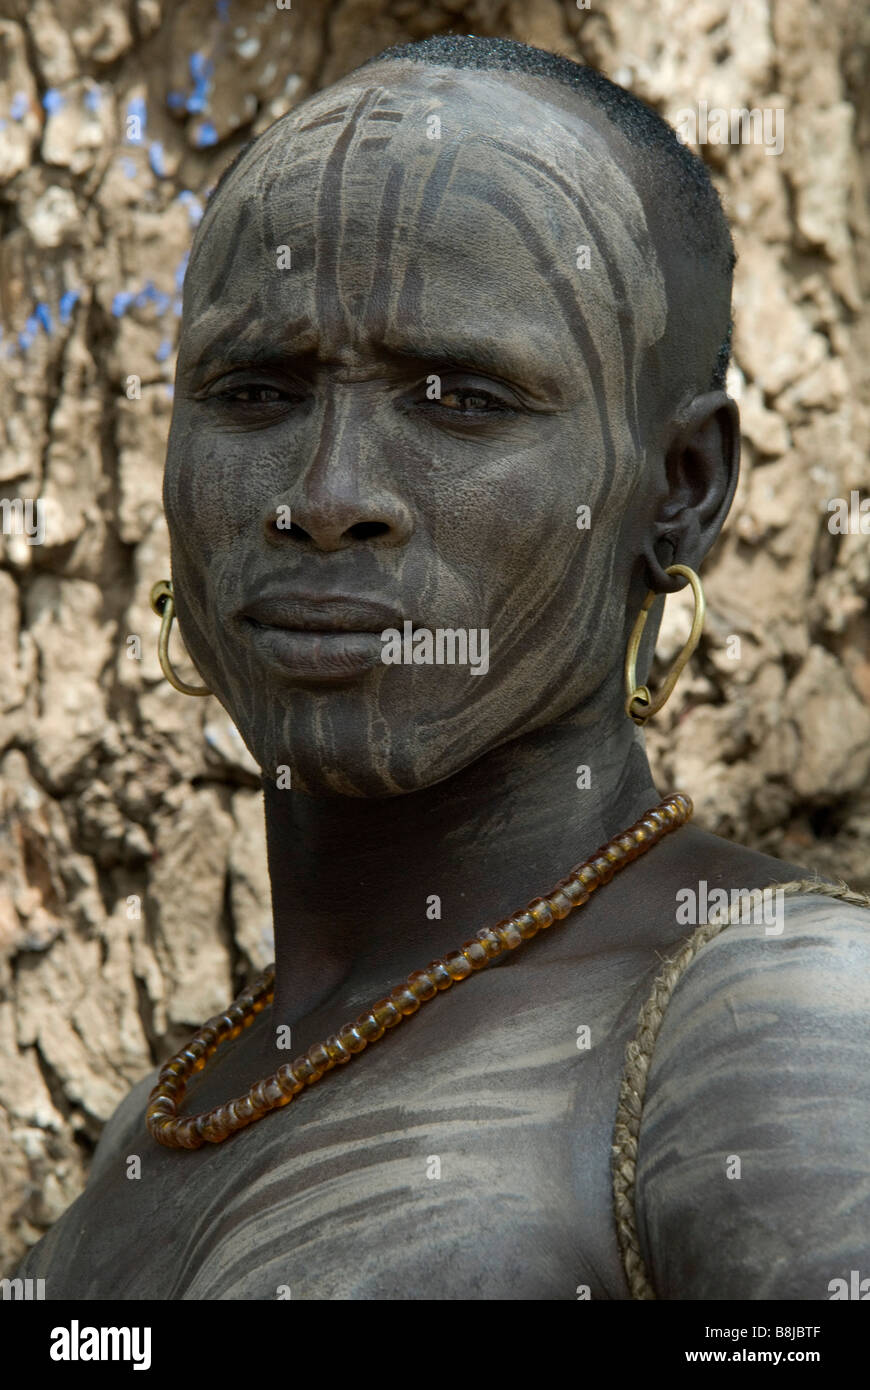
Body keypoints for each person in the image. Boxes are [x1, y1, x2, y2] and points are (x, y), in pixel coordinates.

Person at [13, 35, 870, 1300]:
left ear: (679, 490)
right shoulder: (165, 1118)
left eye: (460, 399)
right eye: (255, 390)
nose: (325, 497)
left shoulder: (781, 1020)